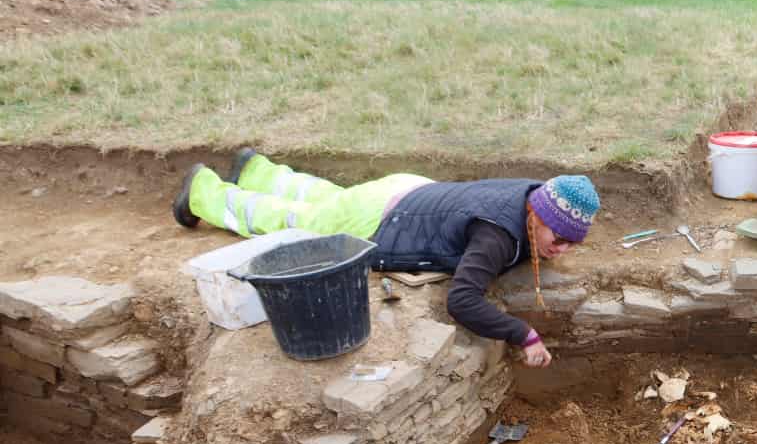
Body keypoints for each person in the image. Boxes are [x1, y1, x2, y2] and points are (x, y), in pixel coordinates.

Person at [171, 149, 598, 368]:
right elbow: (462, 301)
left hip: (410, 190)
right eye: (557, 238)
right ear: (537, 214)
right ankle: (206, 191)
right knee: (295, 221)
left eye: (573, 243)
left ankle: (257, 170)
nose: (562, 250)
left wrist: (547, 243)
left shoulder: (533, 193)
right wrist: (522, 334)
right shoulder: (496, 235)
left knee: (331, 199)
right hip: (385, 219)